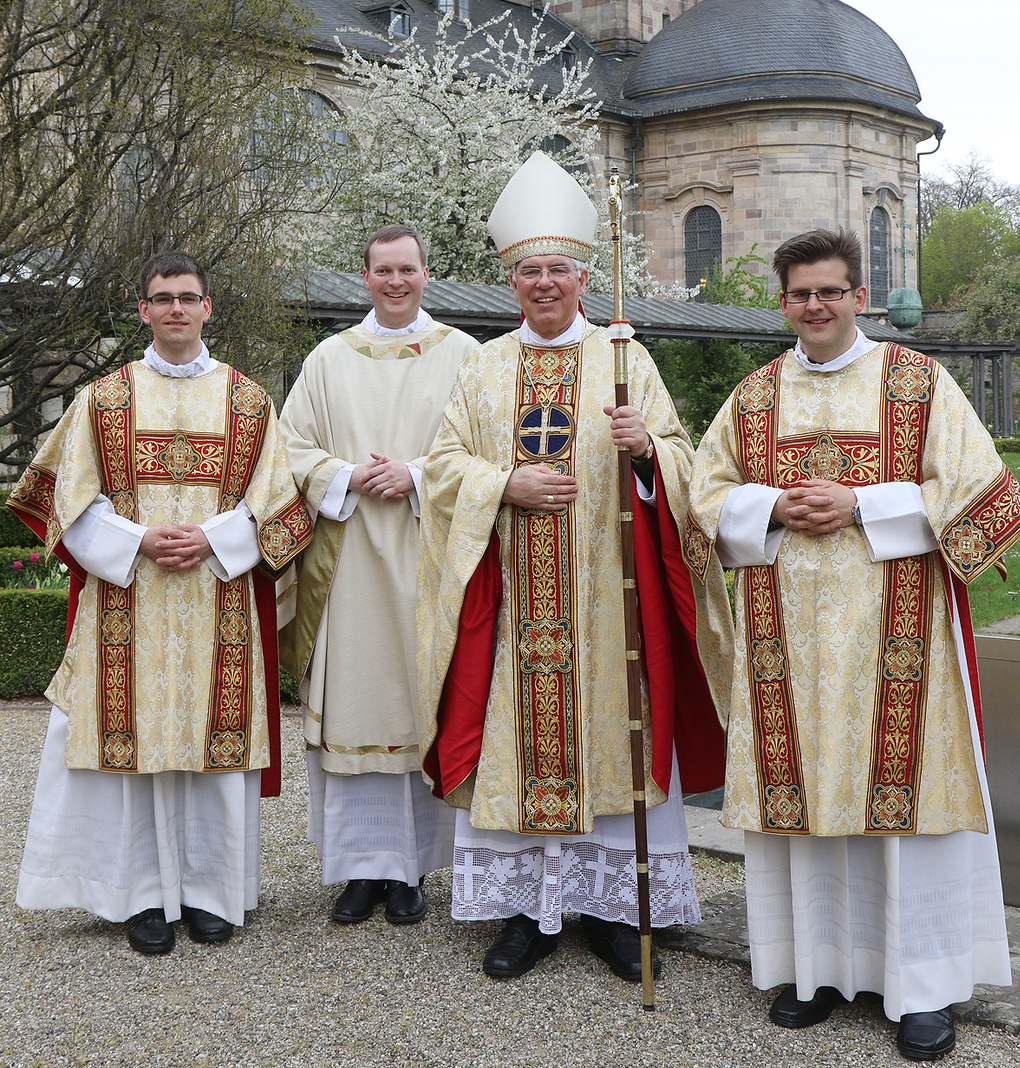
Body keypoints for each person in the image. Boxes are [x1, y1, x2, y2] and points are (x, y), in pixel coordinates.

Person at [686, 228, 1017, 1060]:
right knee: (811, 797)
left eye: (831, 291)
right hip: (785, 649)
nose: (816, 306)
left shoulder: (918, 383)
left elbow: (985, 491)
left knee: (905, 808)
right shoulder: (755, 397)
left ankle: (924, 990)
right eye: (800, 293)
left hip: (898, 649)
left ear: (859, 297)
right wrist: (770, 508)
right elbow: (703, 497)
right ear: (786, 301)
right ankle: (816, 970)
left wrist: (863, 504)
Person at [416, 152, 732, 981]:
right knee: (517, 749)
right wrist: (503, 481)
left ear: (586, 276)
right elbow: (441, 467)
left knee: (613, 744)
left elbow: (683, 463)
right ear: (510, 280)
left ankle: (611, 912)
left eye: (558, 268)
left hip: (607, 606)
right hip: (518, 605)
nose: (544, 282)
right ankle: (529, 912)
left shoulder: (625, 358)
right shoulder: (482, 367)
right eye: (529, 270)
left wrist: (643, 455)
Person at [9, 251, 311, 954]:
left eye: (188, 297)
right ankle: (140, 895)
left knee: (213, 748)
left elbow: (279, 507)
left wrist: (211, 539)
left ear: (209, 308)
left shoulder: (248, 400)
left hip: (219, 600)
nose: (176, 308)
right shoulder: (103, 400)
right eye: (162, 297)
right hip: (128, 600)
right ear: (141, 309)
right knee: (132, 748)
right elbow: (64, 503)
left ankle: (211, 894)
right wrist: (140, 541)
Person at [277, 225, 478, 926]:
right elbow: (289, 448)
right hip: (349, 560)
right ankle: (360, 872)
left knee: (418, 706)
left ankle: (413, 872)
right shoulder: (329, 359)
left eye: (408, 270)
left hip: (428, 555)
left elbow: (483, 452)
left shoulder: (463, 354)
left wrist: (417, 473)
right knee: (355, 708)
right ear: (364, 276)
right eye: (383, 271)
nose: (396, 282)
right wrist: (347, 475)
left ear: (427, 274)